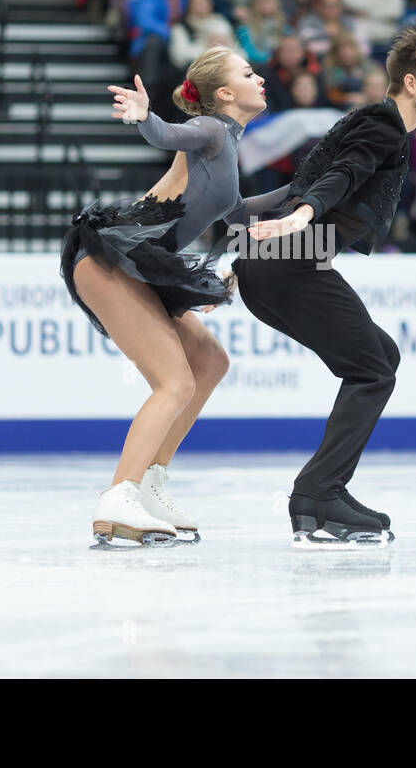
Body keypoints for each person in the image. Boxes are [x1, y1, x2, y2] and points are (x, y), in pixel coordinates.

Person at [233, 28, 416, 548]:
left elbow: (304, 181)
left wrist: (242, 254)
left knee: (379, 356)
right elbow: (342, 175)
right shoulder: (383, 124)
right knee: (374, 369)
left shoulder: (378, 123)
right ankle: (318, 495)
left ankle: (320, 491)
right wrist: (303, 216)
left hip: (276, 261)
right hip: (288, 262)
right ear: (411, 83)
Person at [60, 46, 285, 549]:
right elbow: (167, 133)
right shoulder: (210, 130)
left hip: (140, 265)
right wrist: (145, 118)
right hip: (110, 259)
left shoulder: (227, 143)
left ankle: (152, 484)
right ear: (225, 94)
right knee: (175, 381)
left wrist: (311, 189)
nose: (261, 77)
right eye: (249, 73)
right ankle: (119, 495)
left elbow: (238, 212)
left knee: (209, 362)